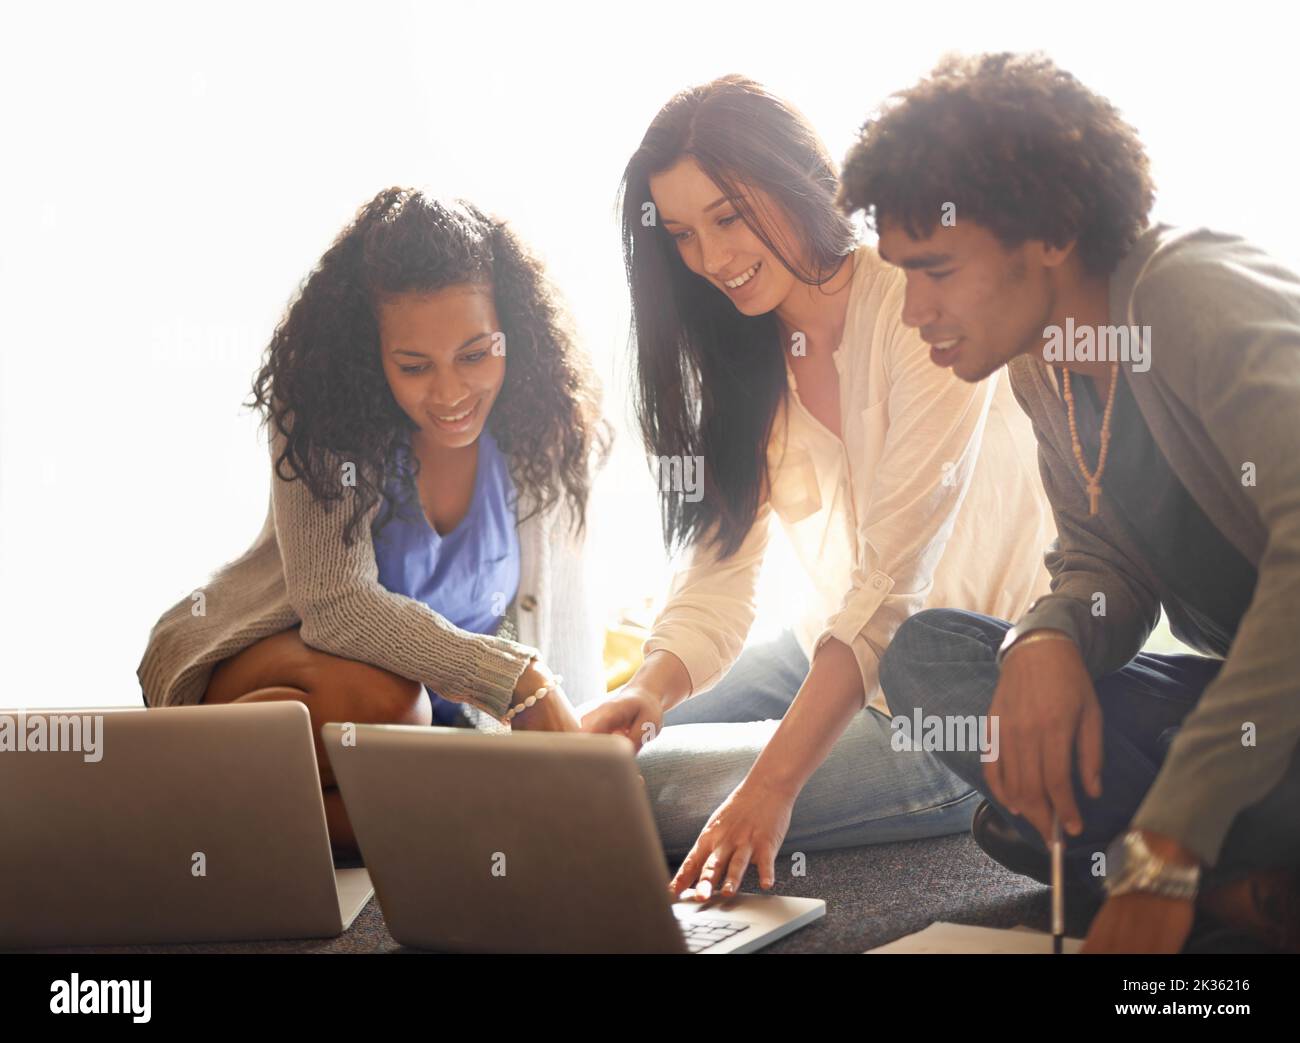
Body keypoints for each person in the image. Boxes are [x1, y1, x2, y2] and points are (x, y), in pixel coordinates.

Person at [845, 52, 1300, 952]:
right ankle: (1232, 883)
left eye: (936, 269)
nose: (914, 310)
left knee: (1056, 814)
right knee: (933, 657)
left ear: (1053, 231)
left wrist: (1172, 831)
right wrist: (1046, 635)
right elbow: (1103, 559)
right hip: (1263, 711)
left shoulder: (1186, 289)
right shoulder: (1042, 363)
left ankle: (1173, 871)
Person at [583, 75, 1055, 901]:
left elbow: (893, 584)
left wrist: (769, 789)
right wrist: (652, 687)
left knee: (642, 792)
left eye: (728, 216)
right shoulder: (746, 356)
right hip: (833, 649)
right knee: (589, 750)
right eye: (685, 235)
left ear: (797, 176)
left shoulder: (918, 304)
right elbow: (722, 568)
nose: (713, 259)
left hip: (964, 695)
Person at [137, 188, 610, 856]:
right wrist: (518, 678)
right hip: (278, 665)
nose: (449, 394)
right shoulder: (323, 410)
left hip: (415, 732)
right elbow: (334, 605)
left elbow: (562, 644)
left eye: (476, 355)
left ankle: (201, 812)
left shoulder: (548, 431)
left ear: (515, 333)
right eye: (413, 366)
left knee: (461, 794)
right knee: (391, 703)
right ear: (372, 351)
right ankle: (175, 777)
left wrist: (579, 763)